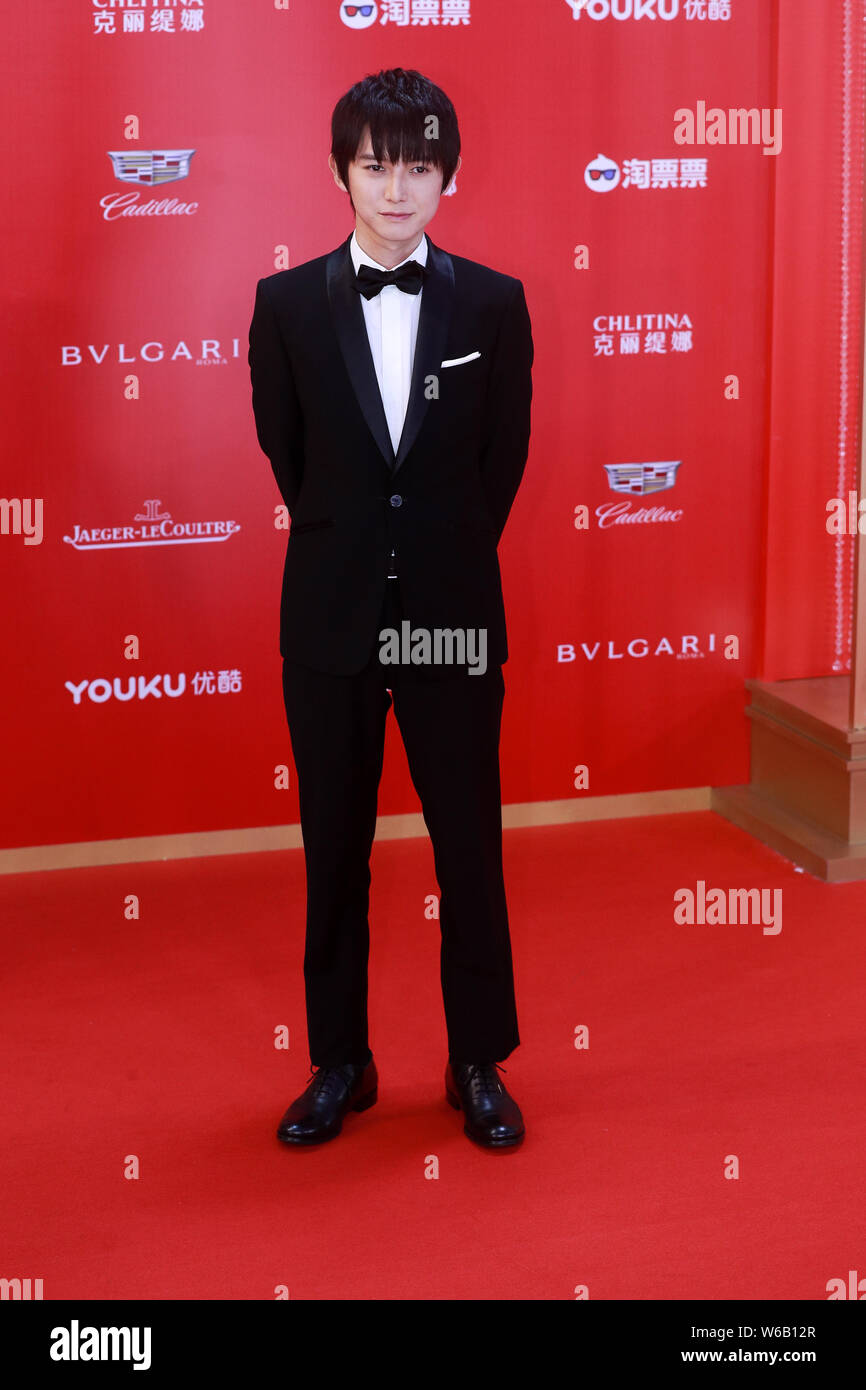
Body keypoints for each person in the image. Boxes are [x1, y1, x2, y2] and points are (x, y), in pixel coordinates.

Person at [248, 67, 533, 1150]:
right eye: (378, 166)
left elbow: (497, 464)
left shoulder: (493, 304)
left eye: (418, 166)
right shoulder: (283, 307)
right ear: (340, 172)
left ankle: (477, 1062)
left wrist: (436, 560)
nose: (398, 188)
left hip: (451, 613)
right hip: (330, 613)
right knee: (336, 847)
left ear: (445, 175)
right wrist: (360, 552)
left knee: (469, 842)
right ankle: (340, 1060)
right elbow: (295, 462)